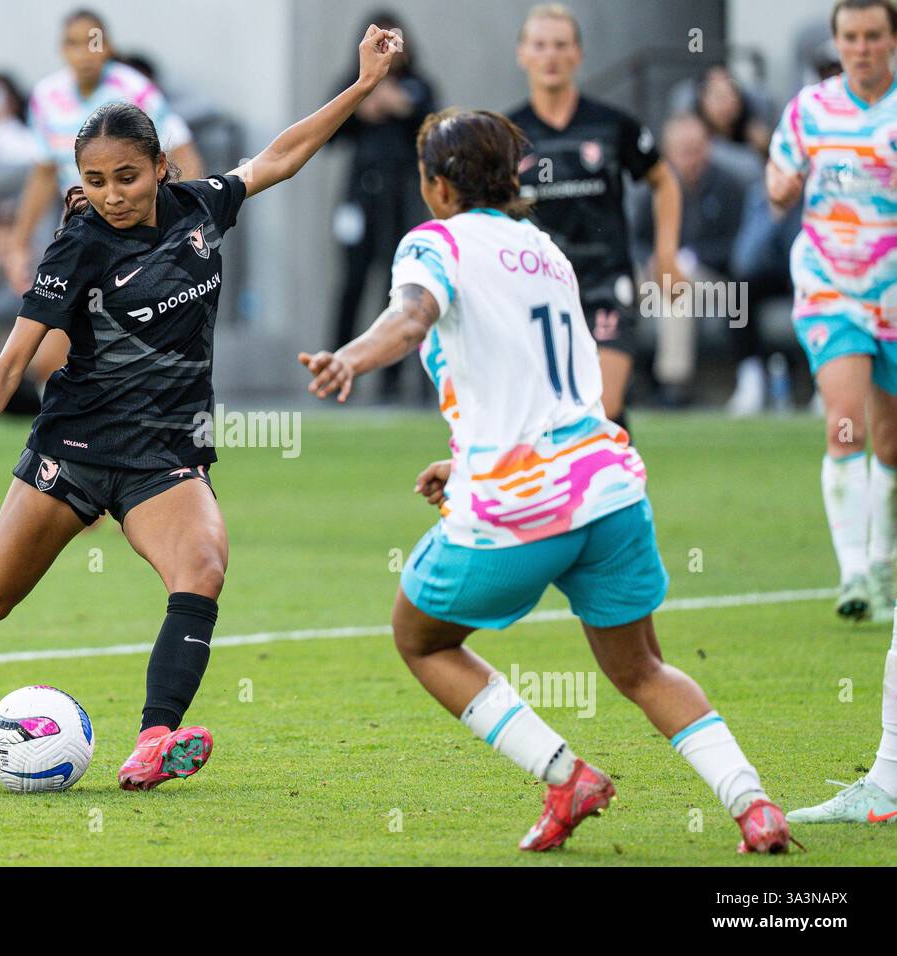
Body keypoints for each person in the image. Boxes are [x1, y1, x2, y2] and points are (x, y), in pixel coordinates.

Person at [0, 26, 404, 791]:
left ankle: (154, 740)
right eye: (96, 179)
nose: (113, 194)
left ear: (161, 168)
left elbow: (281, 155)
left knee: (203, 568)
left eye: (127, 176)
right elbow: (12, 360)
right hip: (75, 450)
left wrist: (362, 85)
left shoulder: (202, 208)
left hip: (164, 457)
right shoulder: (78, 247)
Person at [297, 108, 794, 854]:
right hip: (607, 487)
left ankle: (565, 775)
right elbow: (535, 390)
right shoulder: (545, 251)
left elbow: (408, 319)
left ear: (435, 185)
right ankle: (754, 806)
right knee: (642, 668)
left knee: (421, 639)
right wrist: (464, 459)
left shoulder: (434, 241)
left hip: (523, 507)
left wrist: (350, 358)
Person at [773, 0, 897, 826]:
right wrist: (784, 183)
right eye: (848, 38)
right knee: (844, 420)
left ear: (891, 41)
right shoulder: (810, 108)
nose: (858, 49)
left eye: (873, 37)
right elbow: (781, 181)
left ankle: (880, 561)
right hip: (831, 285)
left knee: (889, 437)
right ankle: (853, 568)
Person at [5, 9, 205, 389]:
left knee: (133, 348)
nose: (83, 52)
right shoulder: (46, 97)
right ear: (61, 51)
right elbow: (43, 174)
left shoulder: (134, 90)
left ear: (108, 46)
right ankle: (81, 436)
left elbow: (184, 153)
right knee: (44, 358)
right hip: (82, 234)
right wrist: (18, 245)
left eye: (91, 41)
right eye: (72, 43)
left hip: (137, 235)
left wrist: (183, 222)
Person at [507, 3, 684, 430]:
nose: (551, 55)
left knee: (601, 406)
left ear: (578, 55)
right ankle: (600, 481)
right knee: (551, 412)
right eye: (540, 45)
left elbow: (665, 182)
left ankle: (619, 487)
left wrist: (665, 255)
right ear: (523, 54)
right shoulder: (505, 134)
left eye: (561, 45)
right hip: (536, 288)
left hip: (607, 282)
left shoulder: (612, 125)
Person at [328, 11, 437, 403]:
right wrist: (361, 104)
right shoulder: (352, 85)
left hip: (405, 194)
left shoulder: (418, 85)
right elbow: (327, 134)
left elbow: (431, 126)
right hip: (361, 194)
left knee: (397, 284)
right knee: (353, 282)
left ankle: (391, 379)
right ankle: (338, 365)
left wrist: (400, 105)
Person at [631, 114, 746, 406]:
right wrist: (652, 260)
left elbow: (740, 245)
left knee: (676, 286)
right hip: (656, 276)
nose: (691, 158)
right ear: (669, 151)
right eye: (684, 150)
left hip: (715, 283)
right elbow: (638, 240)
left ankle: (674, 384)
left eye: (696, 148)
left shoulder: (729, 186)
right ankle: (616, 377)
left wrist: (689, 259)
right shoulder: (655, 187)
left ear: (708, 147)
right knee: (618, 288)